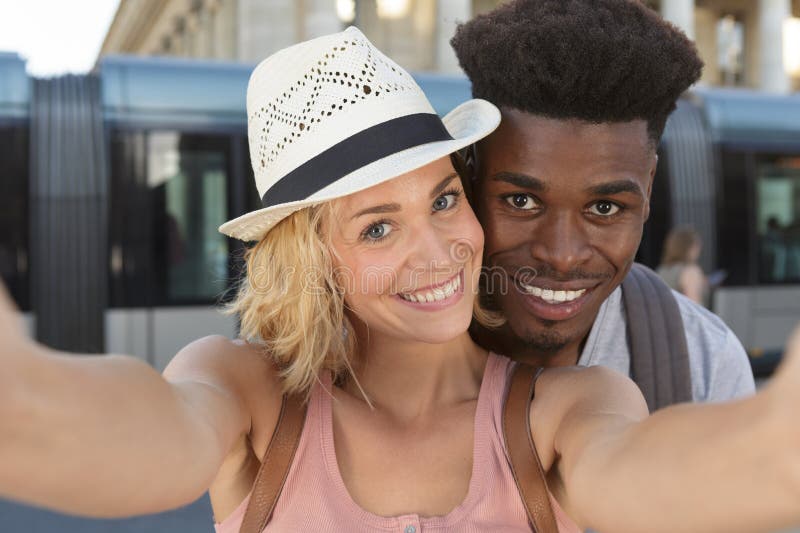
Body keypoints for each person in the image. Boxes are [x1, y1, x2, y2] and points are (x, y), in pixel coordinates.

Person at [2, 27, 800, 533]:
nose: (440, 249)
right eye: (378, 225)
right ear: (313, 257)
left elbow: (642, 479)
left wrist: (775, 445)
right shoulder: (245, 389)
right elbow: (147, 438)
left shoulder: (569, 404)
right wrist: (24, 394)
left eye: (445, 198)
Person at [451, 0, 755, 406]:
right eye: (521, 201)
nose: (561, 256)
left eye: (605, 208)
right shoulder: (369, 359)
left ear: (648, 187)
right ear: (468, 175)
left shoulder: (706, 364)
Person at [657, 226, 708, 305]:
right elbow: (695, 305)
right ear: (689, 247)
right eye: (697, 246)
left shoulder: (661, 270)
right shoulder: (690, 270)